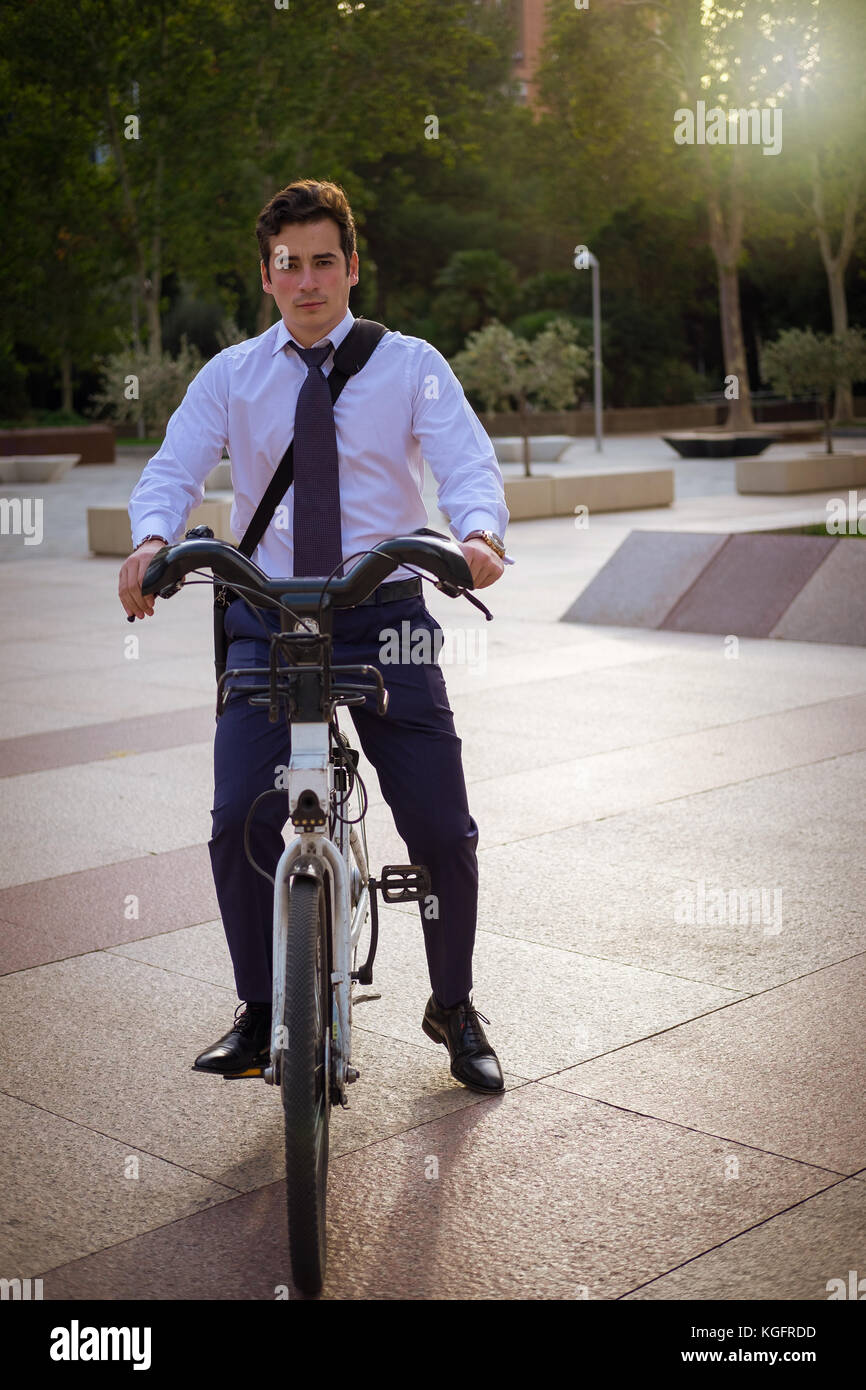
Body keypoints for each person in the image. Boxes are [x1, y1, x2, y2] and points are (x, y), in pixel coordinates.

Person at [118, 178, 510, 1094]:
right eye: (287, 264)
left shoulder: (410, 364)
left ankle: (452, 1005)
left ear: (351, 267)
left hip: (385, 612)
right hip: (270, 613)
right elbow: (174, 468)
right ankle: (260, 1010)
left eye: (322, 261)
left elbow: (465, 461)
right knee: (234, 820)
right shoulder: (232, 376)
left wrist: (480, 534)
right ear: (266, 276)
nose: (306, 281)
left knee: (444, 830)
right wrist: (150, 542)